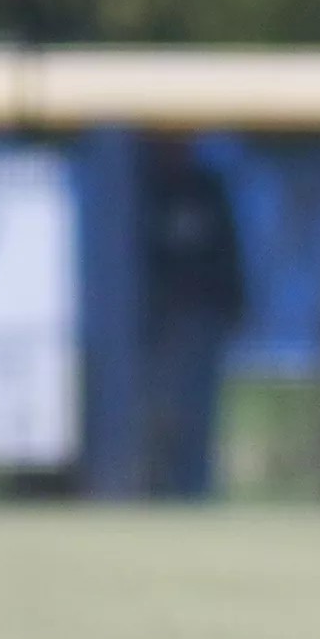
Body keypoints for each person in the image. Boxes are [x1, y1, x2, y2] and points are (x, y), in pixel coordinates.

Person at [138, 136, 247, 498]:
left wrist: (233, 303)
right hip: (152, 324)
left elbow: (227, 250)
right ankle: (152, 491)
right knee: (154, 415)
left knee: (197, 412)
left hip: (201, 318)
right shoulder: (139, 188)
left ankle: (193, 493)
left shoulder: (205, 187)